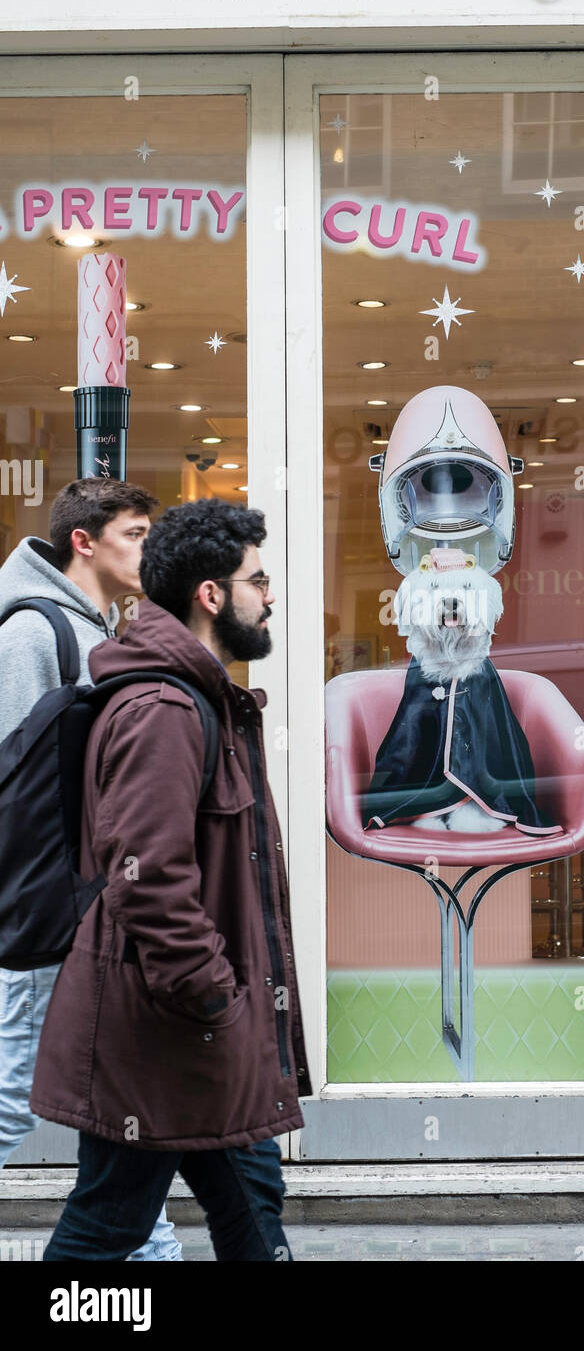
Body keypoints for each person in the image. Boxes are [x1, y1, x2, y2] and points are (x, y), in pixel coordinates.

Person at [31, 498, 310, 1262]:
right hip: (167, 1030)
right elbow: (146, 875)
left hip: (203, 1031)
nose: (272, 595)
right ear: (211, 595)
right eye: (258, 579)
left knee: (254, 1209)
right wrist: (213, 990)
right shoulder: (162, 708)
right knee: (108, 1225)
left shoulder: (195, 695)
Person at [0, 477, 183, 1262]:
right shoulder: (34, 635)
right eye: (136, 533)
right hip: (46, 914)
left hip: (85, 908)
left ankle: (150, 1255)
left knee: (120, 1100)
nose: (149, 549)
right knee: (11, 1094)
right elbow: (13, 786)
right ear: (85, 541)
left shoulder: (89, 627)